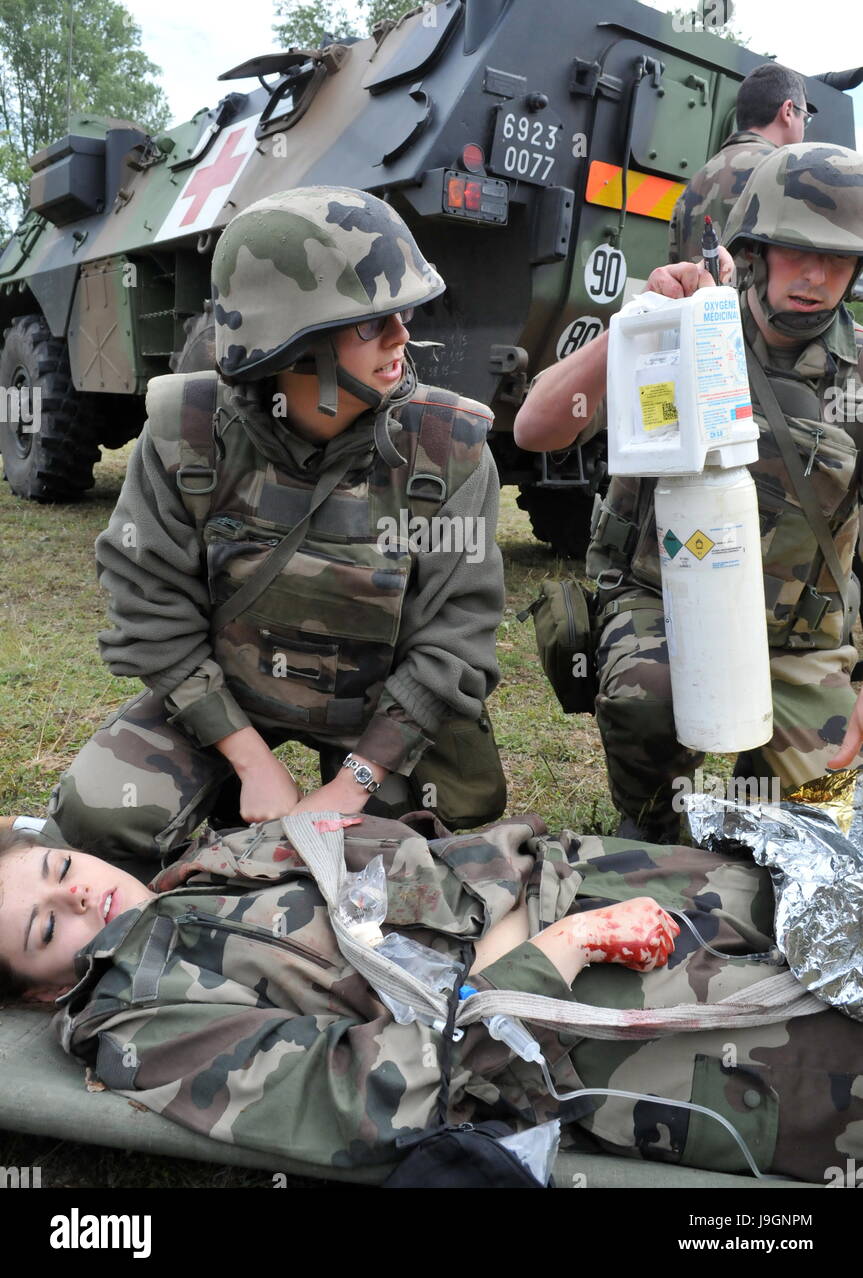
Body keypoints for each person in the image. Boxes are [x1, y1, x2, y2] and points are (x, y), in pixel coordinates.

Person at [1, 814, 860, 1186]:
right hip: (571, 1026)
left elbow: (420, 852)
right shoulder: (143, 1025)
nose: (77, 898)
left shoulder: (201, 869)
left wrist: (517, 910)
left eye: (59, 870)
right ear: (42, 993)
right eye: (44, 931)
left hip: (581, 881)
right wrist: (552, 951)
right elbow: (371, 1098)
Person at [50, 188, 506, 873]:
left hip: (374, 712)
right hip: (230, 690)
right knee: (100, 815)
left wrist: (348, 786)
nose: (401, 339)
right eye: (368, 324)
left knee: (388, 864)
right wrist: (249, 757)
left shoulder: (447, 448)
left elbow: (455, 640)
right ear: (292, 345)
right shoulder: (187, 432)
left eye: (401, 313)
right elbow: (148, 607)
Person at [514, 143, 863, 842]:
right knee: (649, 696)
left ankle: (757, 818)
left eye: (839, 257)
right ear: (756, 248)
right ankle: (648, 824)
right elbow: (535, 429)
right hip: (664, 597)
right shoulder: (683, 324)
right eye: (798, 251)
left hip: (798, 636)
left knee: (815, 824)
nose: (816, 276)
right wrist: (633, 326)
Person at [668, 62, 813, 264]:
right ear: (788, 111)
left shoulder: (698, 179)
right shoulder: (787, 173)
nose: (804, 128)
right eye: (805, 118)